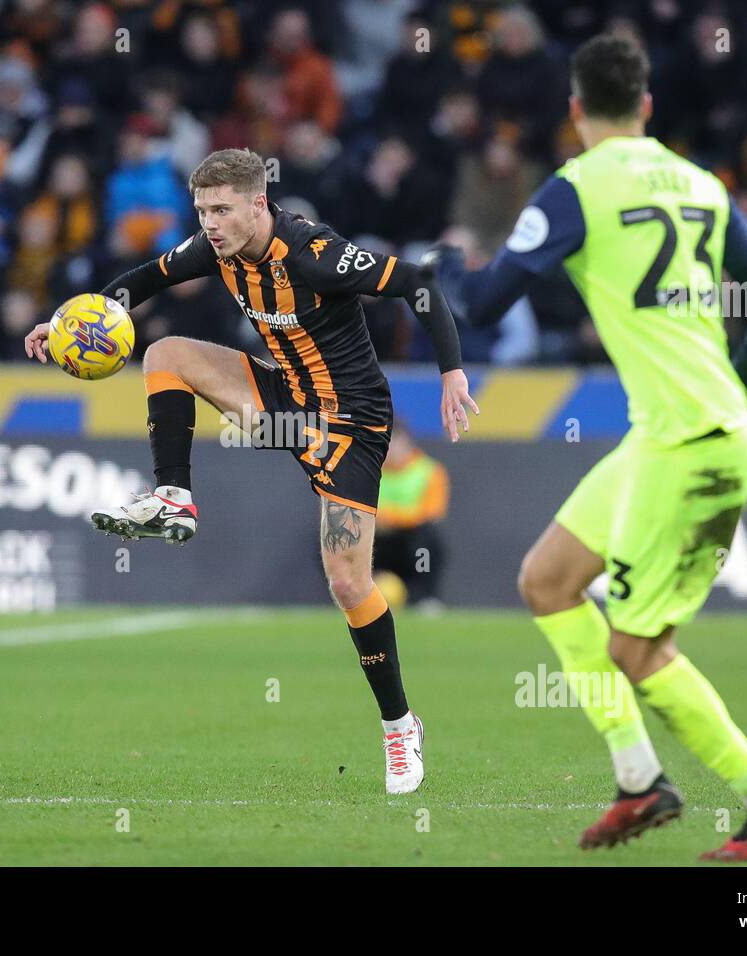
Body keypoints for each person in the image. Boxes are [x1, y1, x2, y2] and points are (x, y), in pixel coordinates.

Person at [433, 34, 747, 861]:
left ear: (575, 112)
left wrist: (442, 269)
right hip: (675, 429)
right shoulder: (700, 183)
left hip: (691, 446)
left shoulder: (575, 187)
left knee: (637, 648)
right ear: (646, 107)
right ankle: (641, 783)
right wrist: (736, 385)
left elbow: (487, 305)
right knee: (548, 581)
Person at [23, 148, 478, 795]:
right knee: (167, 352)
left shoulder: (316, 253)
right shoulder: (217, 247)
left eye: (221, 209)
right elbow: (142, 281)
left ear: (257, 204)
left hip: (350, 425)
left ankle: (400, 726)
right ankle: (173, 499)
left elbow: (420, 285)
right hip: (281, 403)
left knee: (348, 583)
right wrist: (70, 321)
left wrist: (452, 372)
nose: (209, 223)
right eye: (202, 210)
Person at [373, 420, 449, 612]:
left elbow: (431, 514)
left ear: (406, 442)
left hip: (410, 546)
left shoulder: (429, 471)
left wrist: (390, 517)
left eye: (393, 442)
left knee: (427, 541)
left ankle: (425, 597)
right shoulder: (368, 470)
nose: (388, 450)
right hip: (375, 543)